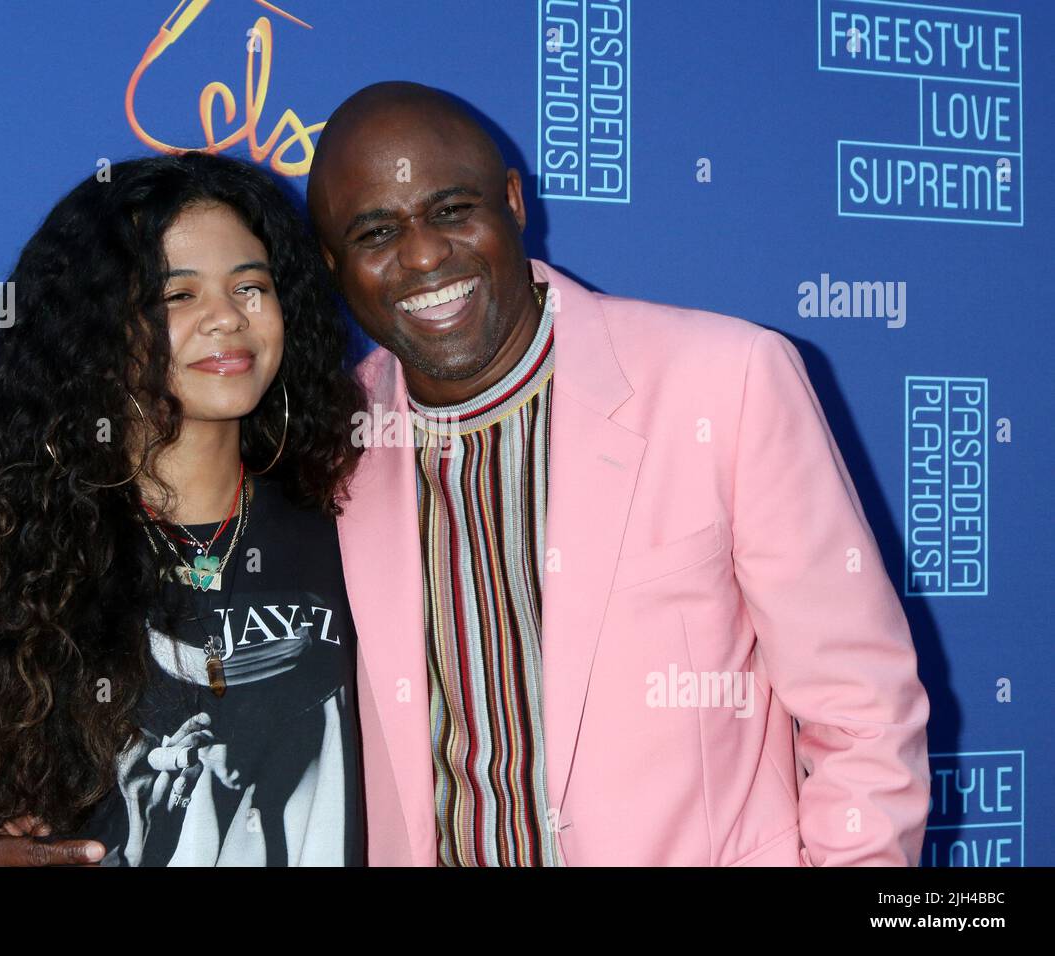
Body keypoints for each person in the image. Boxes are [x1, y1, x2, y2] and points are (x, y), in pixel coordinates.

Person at [305, 81, 932, 866]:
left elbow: (863, 713)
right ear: (333, 263)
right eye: (375, 231)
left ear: (512, 201)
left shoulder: (726, 380)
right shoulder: (326, 447)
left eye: (453, 210)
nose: (425, 254)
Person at [0, 151, 368, 866]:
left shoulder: (360, 529)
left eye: (251, 286)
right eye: (176, 296)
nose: (226, 318)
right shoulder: (1, 568)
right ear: (96, 331)